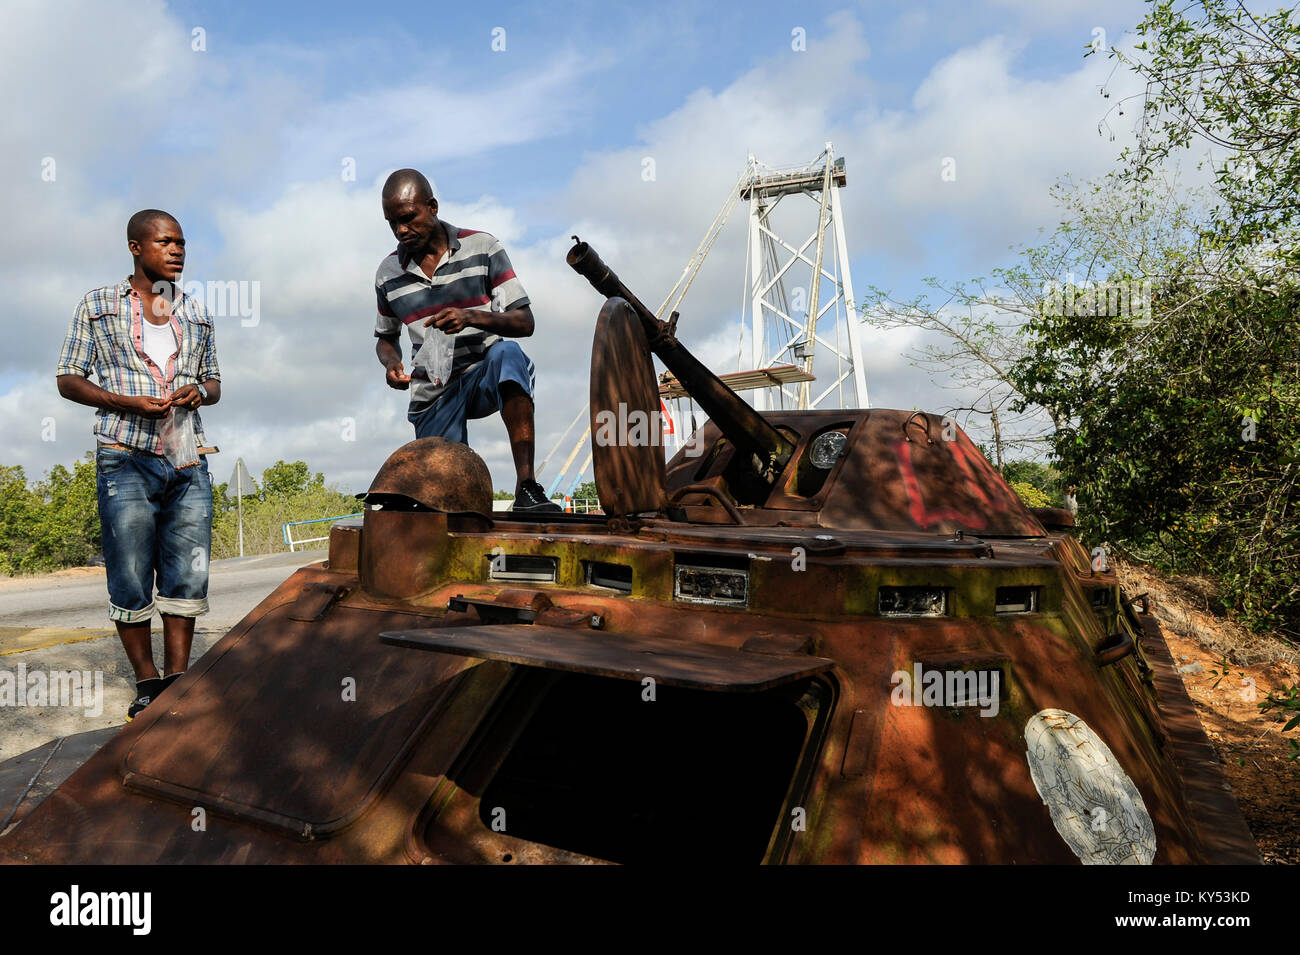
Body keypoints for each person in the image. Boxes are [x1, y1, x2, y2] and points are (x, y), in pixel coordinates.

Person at [56, 209, 221, 719]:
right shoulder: (98, 305)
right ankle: (146, 681)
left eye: (182, 243)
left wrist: (200, 392)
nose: (177, 251)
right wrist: (123, 401)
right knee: (130, 574)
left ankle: (178, 676)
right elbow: (67, 377)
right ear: (136, 247)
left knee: (187, 574)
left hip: (187, 459)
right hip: (125, 459)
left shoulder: (194, 312)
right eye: (166, 242)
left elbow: (215, 382)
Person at [374, 169, 560, 512]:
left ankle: (527, 487)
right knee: (444, 500)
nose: (401, 230)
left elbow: (525, 321)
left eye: (408, 218)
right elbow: (385, 337)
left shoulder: (482, 247)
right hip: (433, 388)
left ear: (432, 206)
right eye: (392, 223)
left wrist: (471, 316)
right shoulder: (388, 274)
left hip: (482, 373)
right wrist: (391, 363)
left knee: (509, 354)